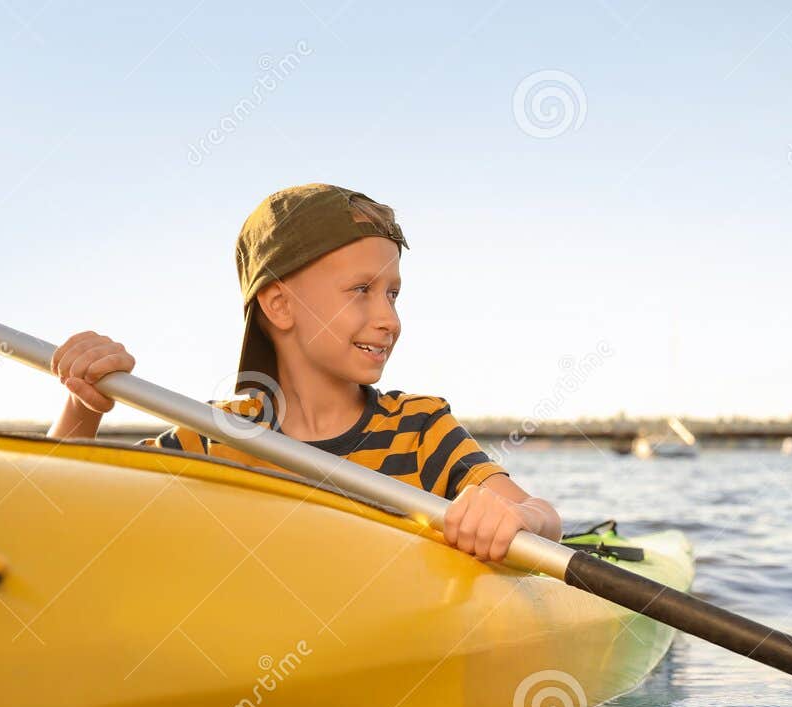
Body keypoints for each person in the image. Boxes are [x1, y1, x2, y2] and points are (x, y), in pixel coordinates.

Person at [45, 183, 560, 562]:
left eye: (393, 294)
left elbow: (542, 519)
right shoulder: (215, 438)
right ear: (279, 306)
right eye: (361, 290)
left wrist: (514, 517)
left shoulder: (421, 428)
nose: (389, 319)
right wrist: (83, 405)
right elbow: (57, 512)